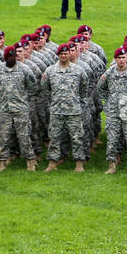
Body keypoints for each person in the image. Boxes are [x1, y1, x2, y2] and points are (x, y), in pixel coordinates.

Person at [0, 44, 39, 172]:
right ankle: (2, 163)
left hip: (21, 109)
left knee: (24, 137)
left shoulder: (25, 69)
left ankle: (31, 162)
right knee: (4, 137)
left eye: (13, 56)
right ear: (5, 57)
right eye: (8, 56)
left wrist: (23, 97)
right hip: (5, 110)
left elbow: (33, 87)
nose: (11, 58)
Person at [41, 43, 90, 171]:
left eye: (66, 53)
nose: (64, 56)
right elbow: (45, 89)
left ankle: (79, 164)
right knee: (54, 137)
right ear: (58, 55)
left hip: (73, 111)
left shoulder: (78, 70)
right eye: (61, 54)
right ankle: (52, 163)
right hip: (57, 111)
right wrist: (54, 102)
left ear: (70, 54)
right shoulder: (50, 71)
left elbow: (85, 88)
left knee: (77, 138)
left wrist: (79, 103)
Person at [98, 46, 127, 173]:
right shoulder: (109, 73)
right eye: (118, 58)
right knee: (112, 138)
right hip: (113, 110)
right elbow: (100, 88)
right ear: (115, 59)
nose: (121, 60)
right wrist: (108, 100)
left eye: (123, 57)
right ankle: (112, 164)